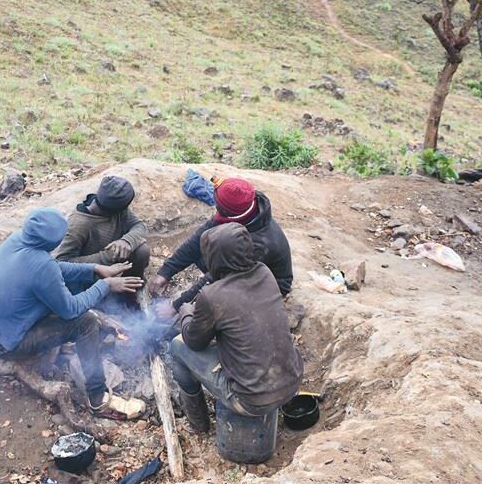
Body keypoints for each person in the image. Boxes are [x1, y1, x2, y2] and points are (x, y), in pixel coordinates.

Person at [0, 207, 146, 420]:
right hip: (8, 345)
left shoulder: (17, 240)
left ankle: (62, 349)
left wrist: (94, 269)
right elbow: (71, 310)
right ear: (52, 242)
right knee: (85, 323)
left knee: (70, 289)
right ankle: (98, 398)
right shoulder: (40, 266)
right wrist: (105, 285)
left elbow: (52, 267)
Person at [169, 223, 303, 432]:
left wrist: (186, 311)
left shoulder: (212, 296)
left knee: (176, 347)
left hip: (250, 401)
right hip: (292, 382)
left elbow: (193, 341)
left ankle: (198, 423)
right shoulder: (265, 273)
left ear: (215, 258)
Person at [149, 177, 293, 317]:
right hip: (240, 267)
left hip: (266, 286)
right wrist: (166, 271)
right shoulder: (240, 211)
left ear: (226, 211)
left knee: (219, 302)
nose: (215, 209)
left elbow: (217, 276)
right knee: (204, 253)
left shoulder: (259, 244)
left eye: (217, 206)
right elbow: (195, 242)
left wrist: (177, 306)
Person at [56, 176, 149, 279]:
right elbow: (62, 263)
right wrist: (109, 255)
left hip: (109, 263)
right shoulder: (78, 225)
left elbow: (139, 226)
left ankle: (132, 287)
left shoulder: (114, 205)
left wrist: (127, 241)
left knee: (142, 250)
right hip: (87, 275)